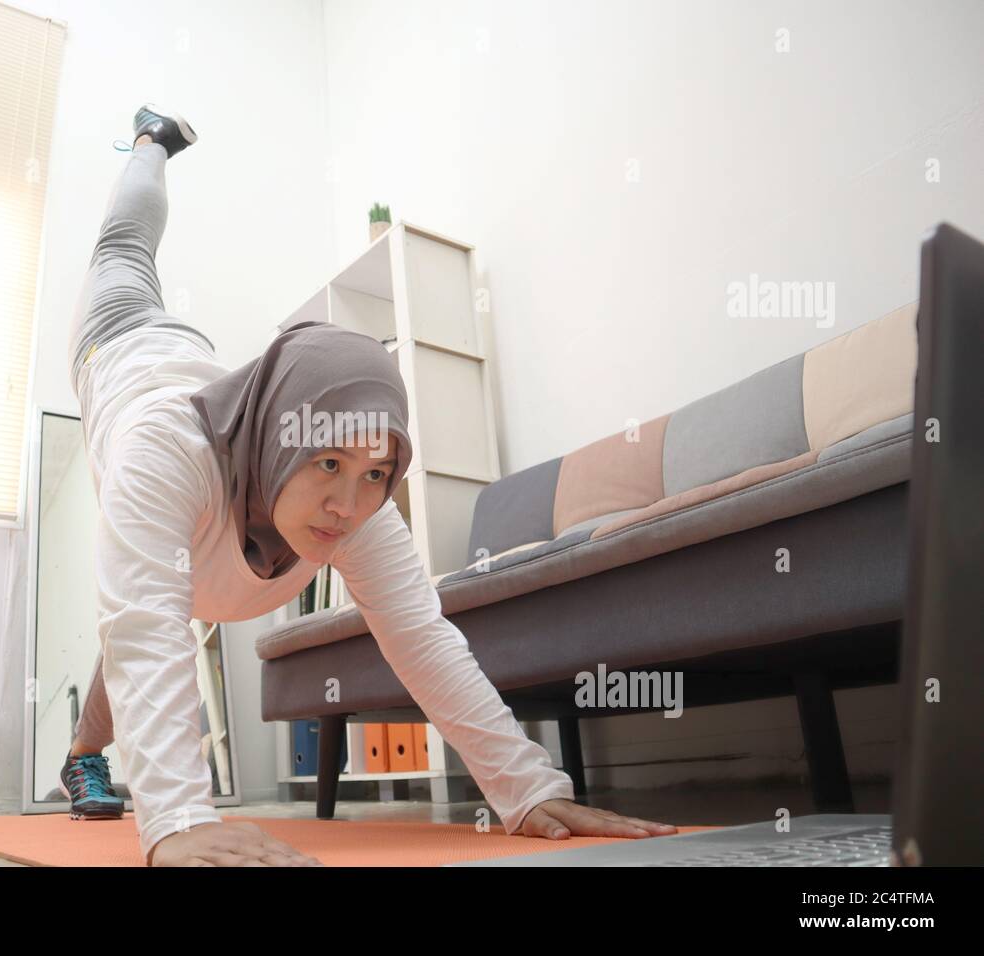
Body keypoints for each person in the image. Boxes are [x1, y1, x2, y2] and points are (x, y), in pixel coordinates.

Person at [62, 104, 678, 867]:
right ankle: (153, 138)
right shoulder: (162, 460)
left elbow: (423, 639)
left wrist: (527, 788)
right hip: (120, 344)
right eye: (327, 464)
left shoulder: (359, 505)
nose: (349, 504)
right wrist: (179, 818)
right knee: (125, 252)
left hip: (203, 378)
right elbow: (148, 630)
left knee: (155, 594)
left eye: (376, 475)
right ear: (287, 441)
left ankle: (83, 743)